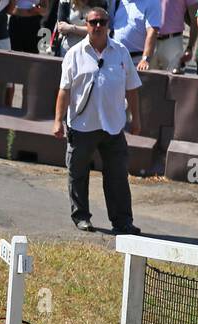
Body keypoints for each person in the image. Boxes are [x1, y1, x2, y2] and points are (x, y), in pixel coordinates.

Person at [53, 6, 143, 234]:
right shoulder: (75, 53)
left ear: (109, 24)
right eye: (93, 22)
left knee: (118, 177)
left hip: (113, 126)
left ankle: (122, 222)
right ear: (86, 25)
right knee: (78, 173)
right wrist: (57, 121)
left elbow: (132, 89)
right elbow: (64, 89)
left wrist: (136, 119)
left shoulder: (121, 52)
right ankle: (81, 216)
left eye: (102, 22)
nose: (98, 26)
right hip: (82, 125)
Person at [147, 0, 198, 73]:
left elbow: (195, 19)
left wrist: (190, 47)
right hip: (150, 40)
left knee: (173, 80)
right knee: (146, 79)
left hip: (173, 41)